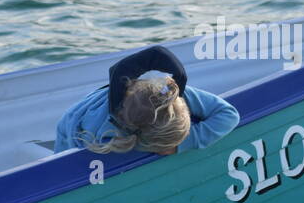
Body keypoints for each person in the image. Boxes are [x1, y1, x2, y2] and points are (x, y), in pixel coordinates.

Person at [55, 44, 238, 155]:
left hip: (127, 103)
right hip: (74, 122)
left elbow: (229, 114)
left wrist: (185, 143)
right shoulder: (100, 134)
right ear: (141, 140)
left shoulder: (168, 95)